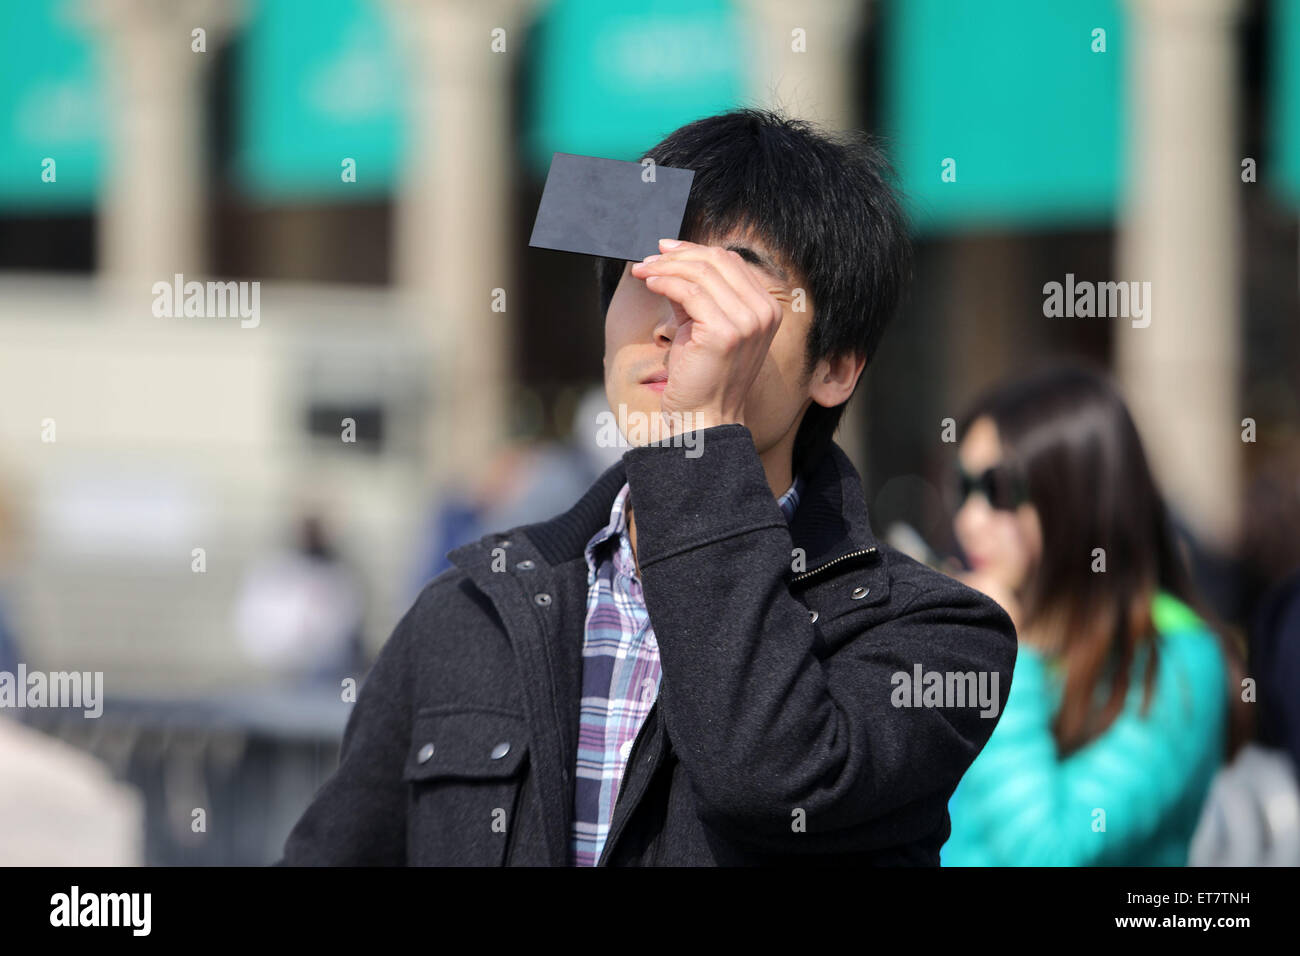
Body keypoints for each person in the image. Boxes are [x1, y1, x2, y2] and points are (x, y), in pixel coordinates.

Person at [278, 109, 1017, 866]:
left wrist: (698, 441)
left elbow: (766, 779)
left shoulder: (936, 636)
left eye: (724, 282)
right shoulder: (473, 611)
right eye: (649, 272)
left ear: (836, 368)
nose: (676, 323)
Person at [940, 362, 1251, 866]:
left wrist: (1007, 657)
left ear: (1076, 495)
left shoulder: (1177, 659)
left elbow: (1046, 852)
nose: (969, 520)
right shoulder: (1003, 617)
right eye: (964, 488)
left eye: (998, 490)